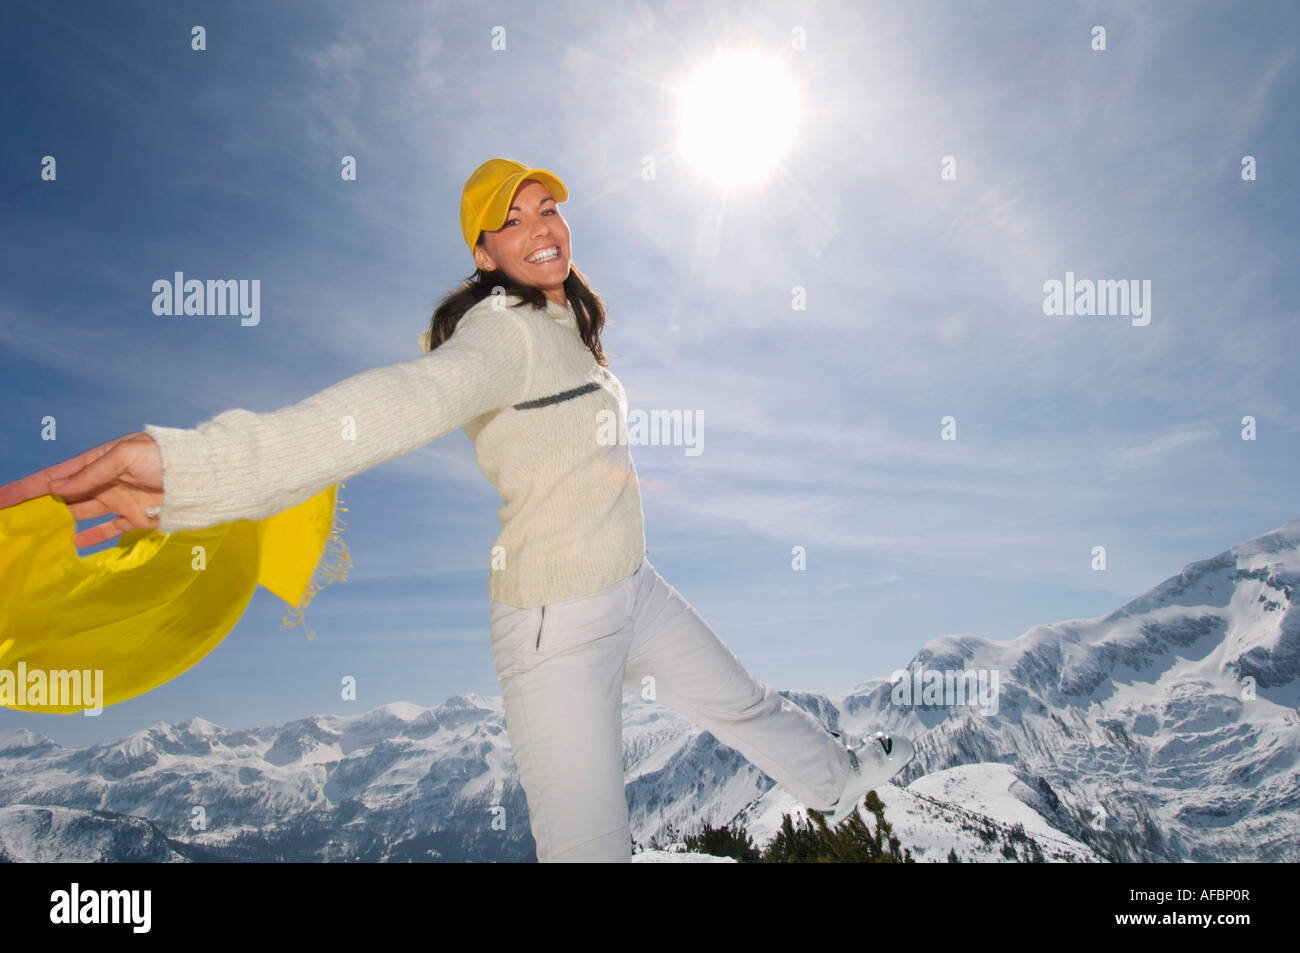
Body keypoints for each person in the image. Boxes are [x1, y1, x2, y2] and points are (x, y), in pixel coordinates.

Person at [0, 157, 913, 862]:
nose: (538, 228)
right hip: (556, 624)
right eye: (509, 222)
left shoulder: (567, 325)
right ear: (484, 254)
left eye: (545, 208)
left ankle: (839, 781)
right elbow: (379, 411)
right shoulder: (500, 337)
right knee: (590, 845)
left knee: (745, 705)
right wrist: (193, 466)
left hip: (634, 589)